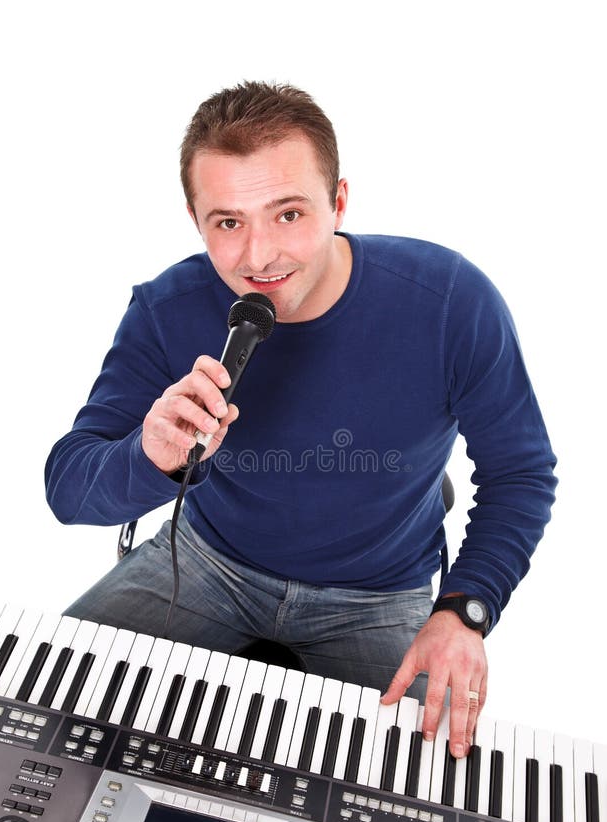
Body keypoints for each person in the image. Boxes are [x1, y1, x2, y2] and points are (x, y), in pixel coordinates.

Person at [45, 81, 557, 760]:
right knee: (33, 717)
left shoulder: (450, 302)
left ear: (339, 202)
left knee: (416, 790)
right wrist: (149, 454)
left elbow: (520, 473)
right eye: (228, 222)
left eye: (288, 214)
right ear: (197, 221)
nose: (260, 256)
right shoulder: (165, 308)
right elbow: (68, 487)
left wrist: (465, 609)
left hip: (379, 594)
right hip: (207, 565)